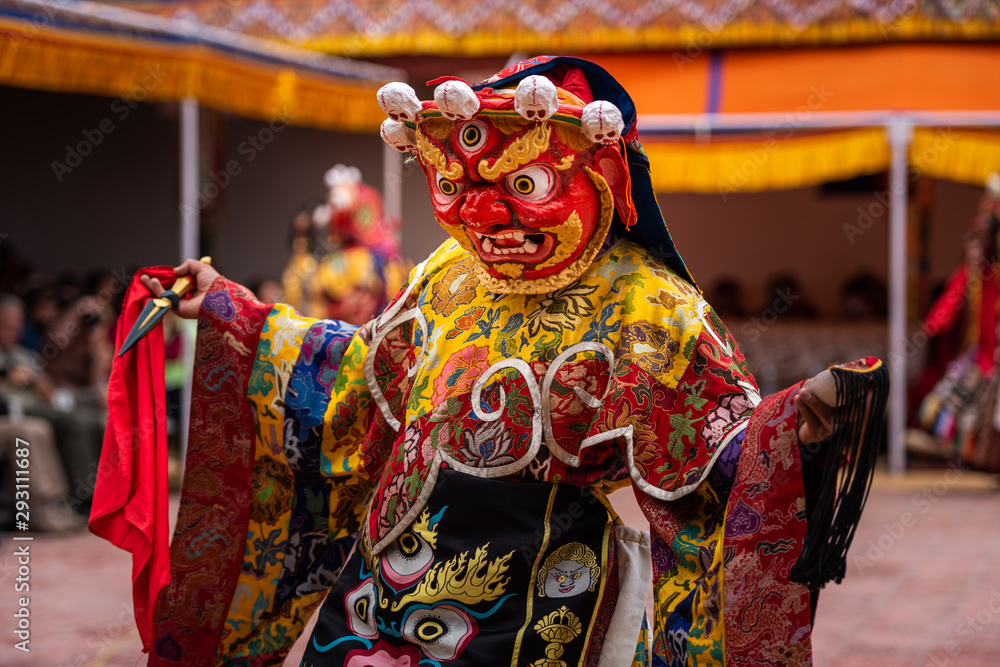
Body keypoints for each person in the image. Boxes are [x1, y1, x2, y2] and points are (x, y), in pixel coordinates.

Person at [135, 57, 886, 666]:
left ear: (603, 175)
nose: (484, 215)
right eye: (460, 187)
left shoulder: (646, 307)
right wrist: (238, 313)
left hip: (533, 610)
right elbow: (360, 376)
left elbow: (715, 457)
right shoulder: (448, 276)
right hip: (373, 602)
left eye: (525, 185)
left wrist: (798, 420)